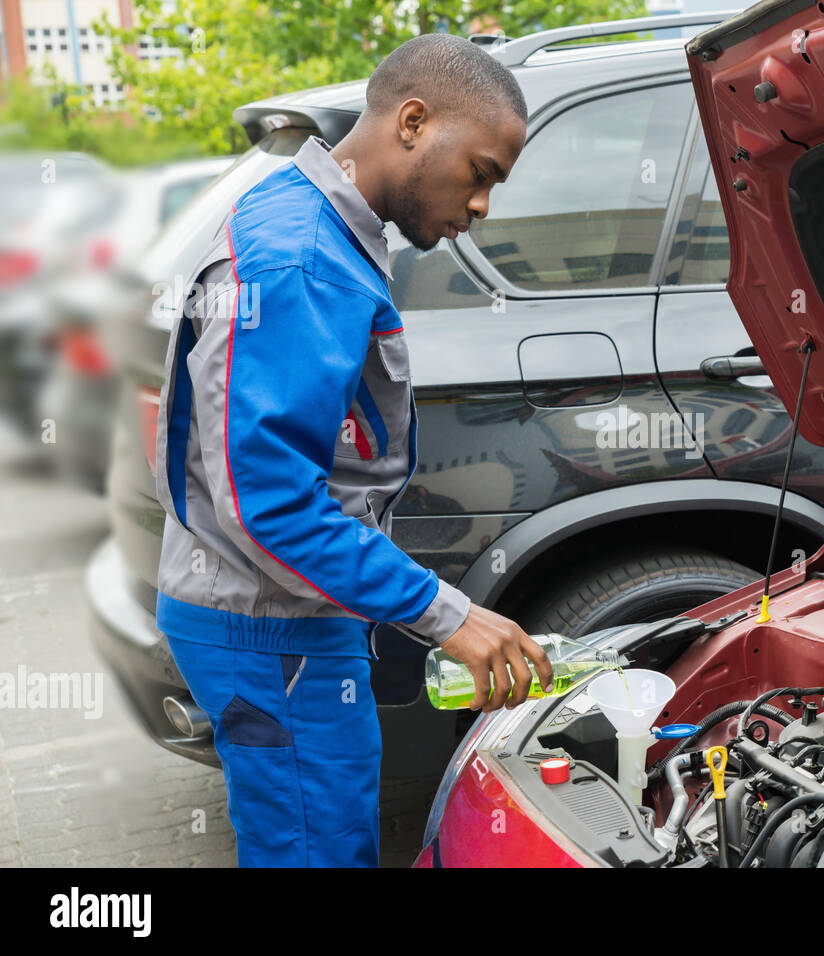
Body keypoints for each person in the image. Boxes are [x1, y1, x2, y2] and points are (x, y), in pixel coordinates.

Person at [153, 34, 552, 867]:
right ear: (413, 121)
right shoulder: (303, 259)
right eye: (481, 172)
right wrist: (452, 615)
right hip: (270, 630)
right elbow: (268, 502)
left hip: (273, 615)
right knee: (317, 851)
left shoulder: (306, 218)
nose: (482, 206)